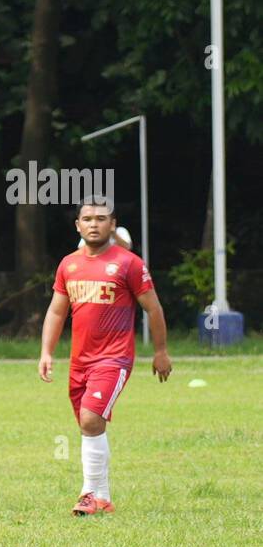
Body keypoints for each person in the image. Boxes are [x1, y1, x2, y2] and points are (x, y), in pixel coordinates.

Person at [40, 196, 172, 515]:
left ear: (113, 225)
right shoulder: (68, 265)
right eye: (88, 219)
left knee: (90, 419)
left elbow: (152, 307)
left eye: (101, 219)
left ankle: (88, 494)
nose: (94, 224)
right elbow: (57, 312)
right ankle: (103, 498)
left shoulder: (128, 263)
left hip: (114, 359)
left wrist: (161, 351)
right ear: (78, 225)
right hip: (79, 362)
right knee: (91, 426)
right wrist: (46, 351)